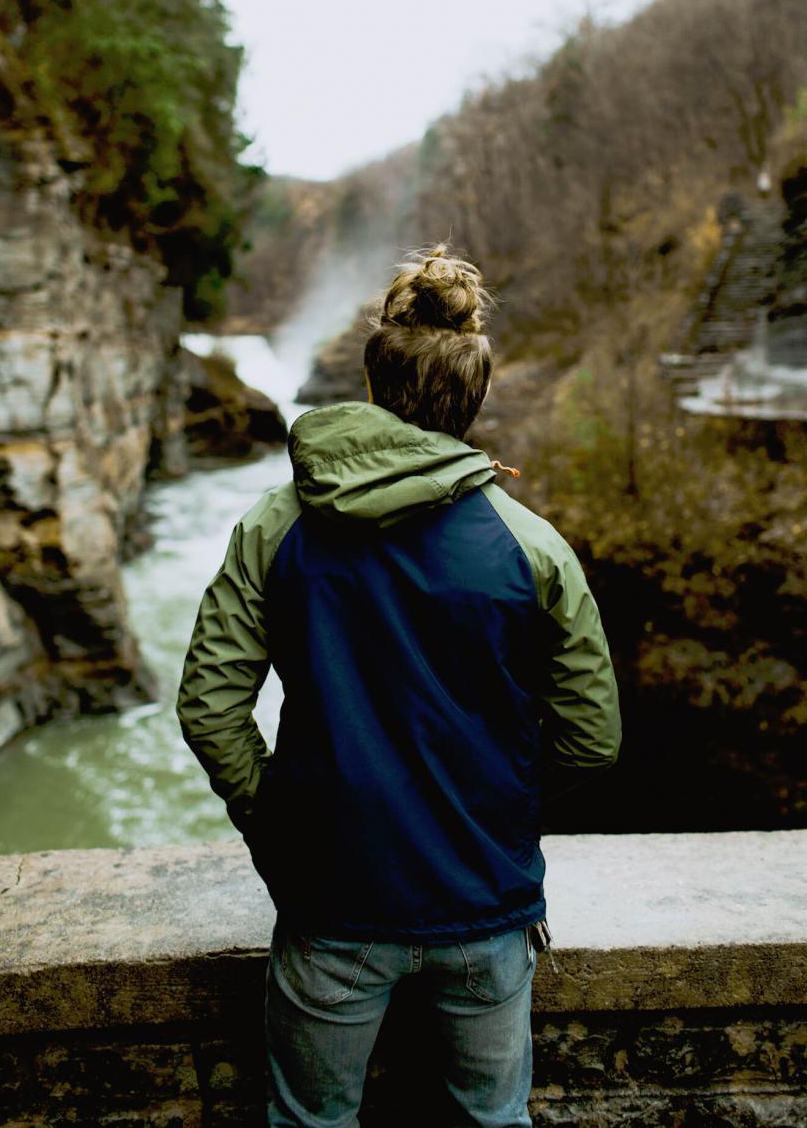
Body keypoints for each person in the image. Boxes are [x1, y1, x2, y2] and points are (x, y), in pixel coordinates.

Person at [177, 244, 621, 1128]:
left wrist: (278, 821)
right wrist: (498, 811)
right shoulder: (532, 545)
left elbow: (209, 705)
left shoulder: (276, 524)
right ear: (475, 394)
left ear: (375, 387)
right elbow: (592, 736)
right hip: (484, 902)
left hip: (332, 900)